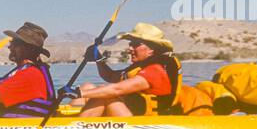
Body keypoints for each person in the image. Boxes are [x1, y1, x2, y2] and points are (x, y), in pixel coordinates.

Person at [73, 22, 209, 117]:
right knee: (88, 86)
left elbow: (116, 89)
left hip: (145, 121)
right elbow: (111, 77)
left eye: (136, 44)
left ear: (151, 50)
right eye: (131, 44)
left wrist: (77, 93)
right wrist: (99, 60)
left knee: (105, 95)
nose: (130, 48)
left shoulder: (155, 70)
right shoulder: (142, 66)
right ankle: (66, 120)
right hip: (131, 112)